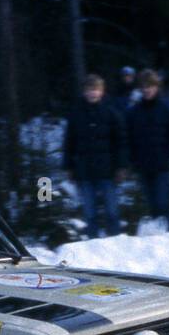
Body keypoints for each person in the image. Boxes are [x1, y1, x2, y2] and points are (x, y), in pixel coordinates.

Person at [62, 74, 127, 237]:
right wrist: (68, 167)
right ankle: (93, 243)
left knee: (112, 212)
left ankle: (116, 241)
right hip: (84, 170)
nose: (93, 93)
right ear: (84, 91)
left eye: (96, 89)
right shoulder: (76, 114)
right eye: (90, 89)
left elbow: (121, 142)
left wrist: (121, 166)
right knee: (90, 213)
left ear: (102, 91)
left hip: (108, 170)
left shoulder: (111, 112)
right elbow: (69, 142)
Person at [126, 70, 169, 235]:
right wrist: (133, 160)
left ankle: (168, 234)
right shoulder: (134, 111)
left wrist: (168, 153)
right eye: (144, 86)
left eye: (150, 86)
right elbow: (128, 138)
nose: (147, 90)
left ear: (157, 87)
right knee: (152, 204)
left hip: (161, 164)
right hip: (143, 165)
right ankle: (158, 238)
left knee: (163, 203)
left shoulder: (165, 108)